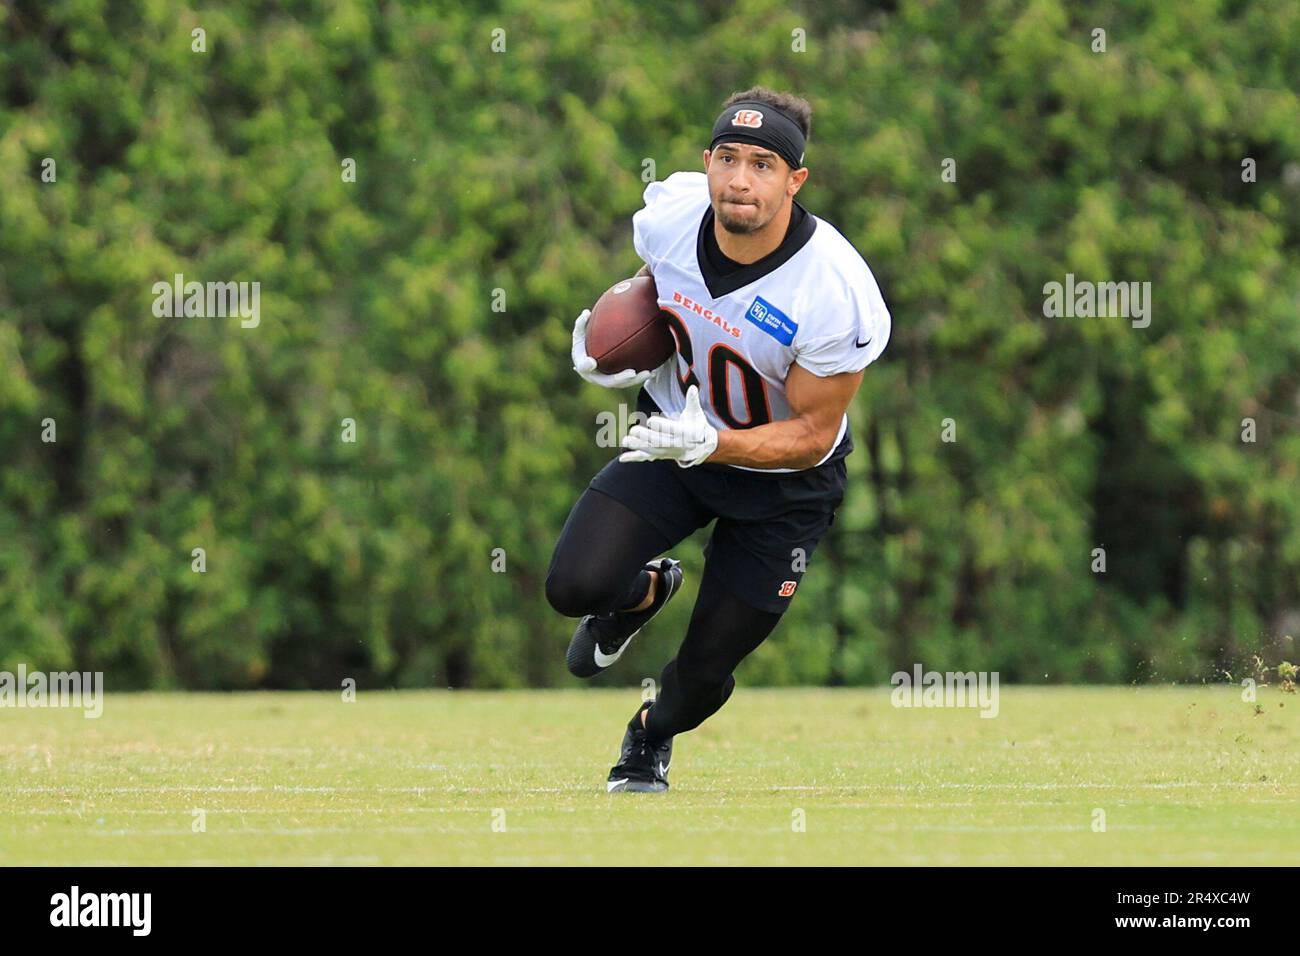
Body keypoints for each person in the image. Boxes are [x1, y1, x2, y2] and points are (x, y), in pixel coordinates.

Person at [546, 86, 891, 792]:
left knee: (704, 674)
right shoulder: (672, 216)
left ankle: (650, 736)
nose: (740, 179)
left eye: (762, 164)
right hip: (674, 442)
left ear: (795, 180)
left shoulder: (832, 288)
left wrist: (719, 446)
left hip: (784, 487)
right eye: (727, 158)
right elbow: (658, 284)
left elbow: (813, 432)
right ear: (706, 162)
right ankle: (640, 596)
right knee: (573, 585)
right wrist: (614, 343)